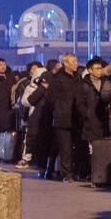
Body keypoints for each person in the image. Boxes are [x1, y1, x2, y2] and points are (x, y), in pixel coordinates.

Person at [44, 53, 82, 181]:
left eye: (76, 61)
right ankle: (67, 174)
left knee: (58, 146)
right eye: (73, 61)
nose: (76, 63)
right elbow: (50, 97)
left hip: (76, 117)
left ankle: (49, 170)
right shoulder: (58, 79)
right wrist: (60, 106)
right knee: (65, 148)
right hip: (62, 117)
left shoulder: (78, 78)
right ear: (66, 63)